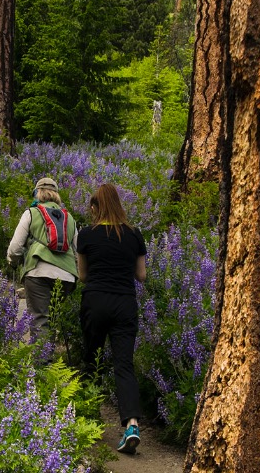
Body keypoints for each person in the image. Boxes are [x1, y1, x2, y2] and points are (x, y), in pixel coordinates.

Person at [77, 183, 147, 455]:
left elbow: (83, 276)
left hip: (95, 301)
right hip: (124, 303)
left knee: (91, 359)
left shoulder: (87, 234)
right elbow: (141, 276)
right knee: (124, 365)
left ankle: (89, 419)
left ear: (96, 207)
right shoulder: (134, 234)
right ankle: (132, 425)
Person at [6, 177, 79, 337]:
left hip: (38, 273)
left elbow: (15, 248)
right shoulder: (70, 218)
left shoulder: (31, 213)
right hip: (66, 277)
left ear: (37, 193)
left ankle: (42, 354)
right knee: (52, 322)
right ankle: (50, 352)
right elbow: (78, 252)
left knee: (40, 322)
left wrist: (13, 262)